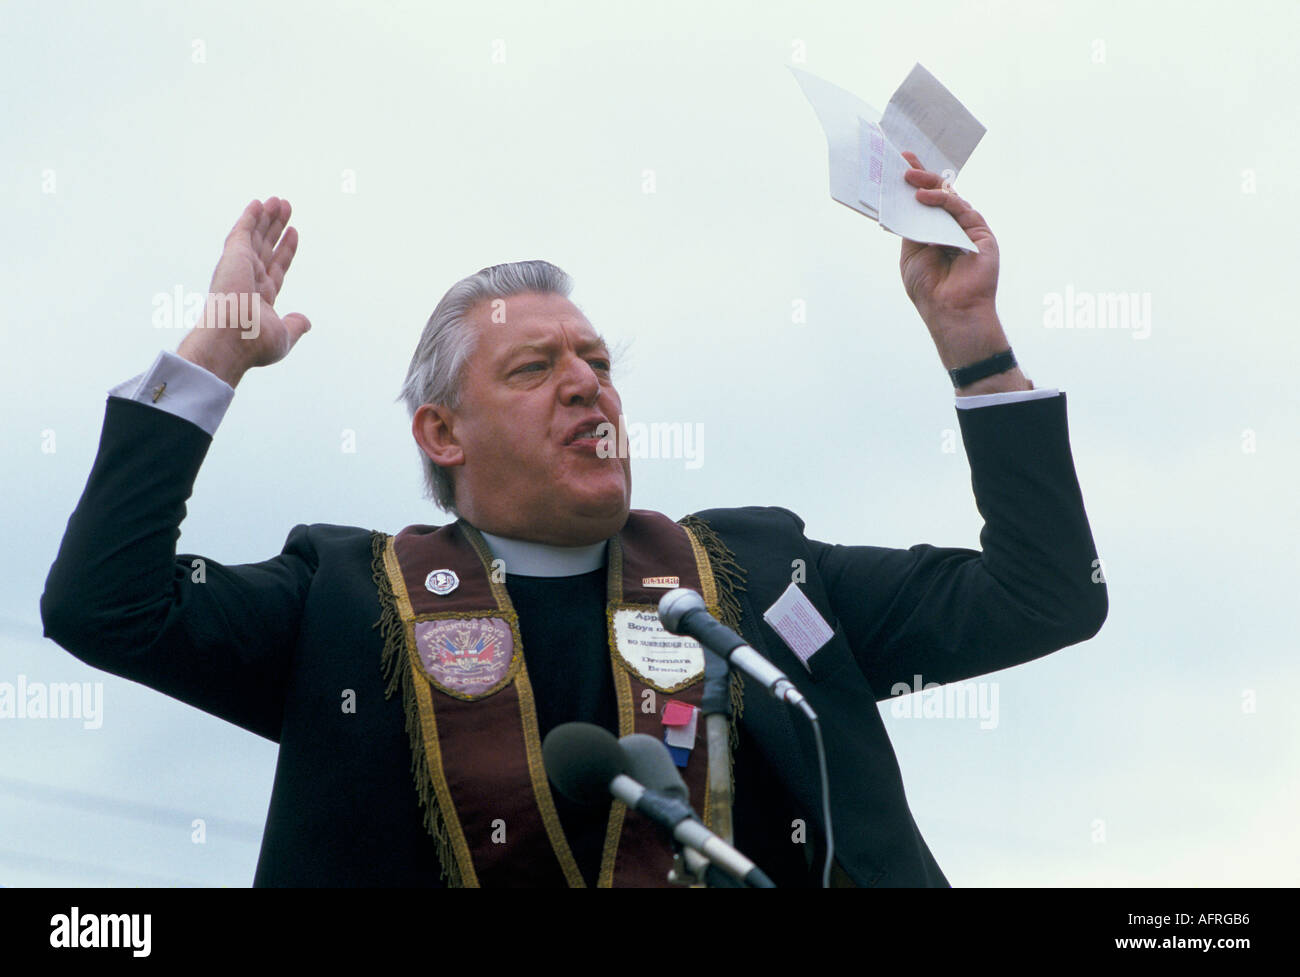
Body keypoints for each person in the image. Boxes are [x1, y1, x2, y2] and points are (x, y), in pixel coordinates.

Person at [41, 152, 1107, 887]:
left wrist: (973, 336)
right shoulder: (338, 601)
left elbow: (1046, 595)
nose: (588, 386)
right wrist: (217, 349)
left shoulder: (766, 574)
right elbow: (103, 604)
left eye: (598, 363)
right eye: (536, 367)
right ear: (442, 433)